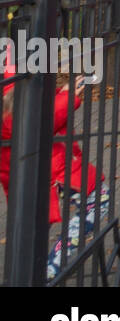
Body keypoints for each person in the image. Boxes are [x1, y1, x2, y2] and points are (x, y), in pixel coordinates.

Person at [1, 53, 108, 280]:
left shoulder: (12, 110)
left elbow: (44, 114)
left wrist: (64, 93)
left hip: (31, 178)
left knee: (34, 226)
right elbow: (43, 121)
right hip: (55, 173)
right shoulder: (14, 116)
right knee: (98, 199)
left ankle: (27, 271)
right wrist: (68, 96)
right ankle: (52, 265)